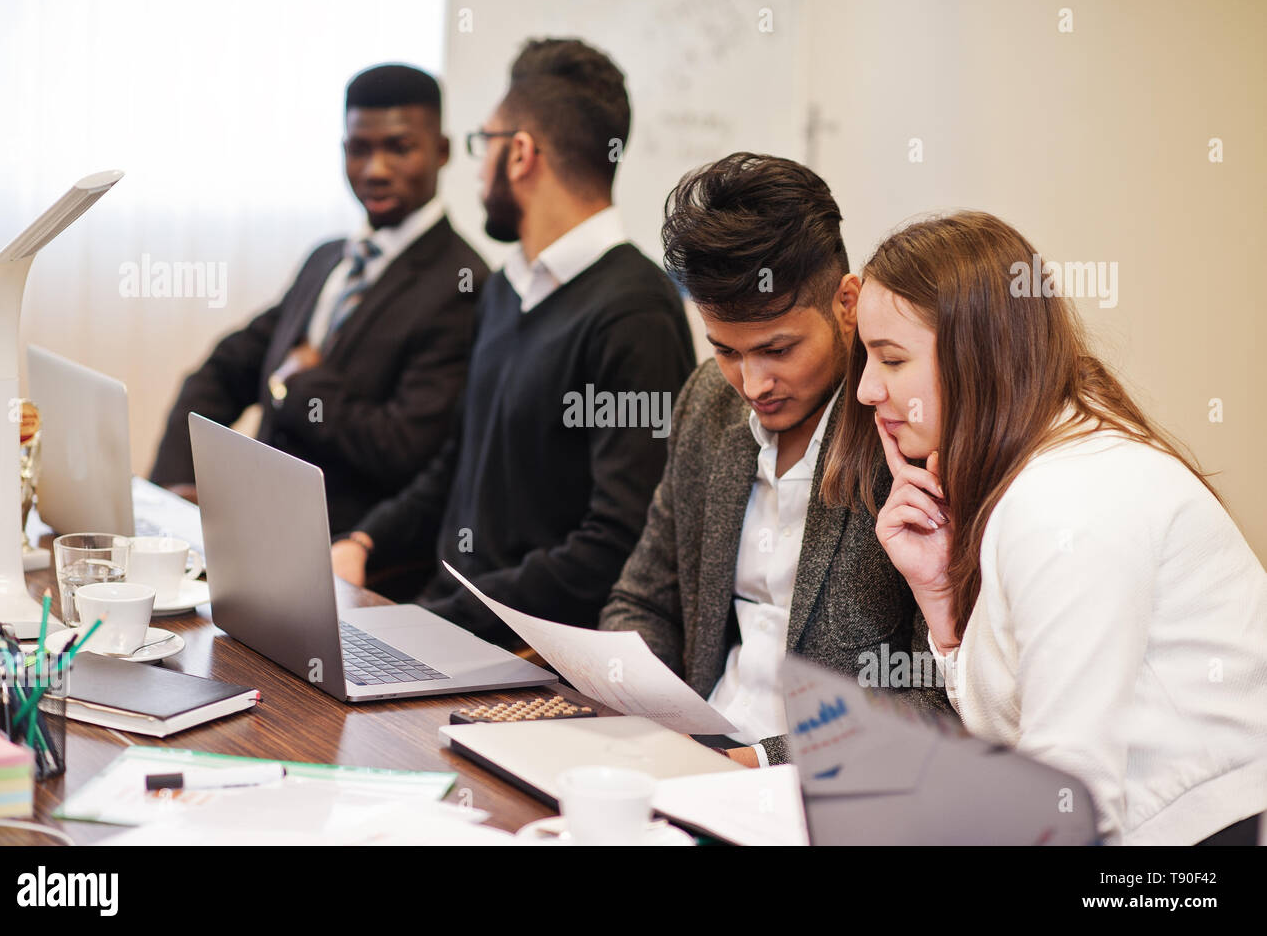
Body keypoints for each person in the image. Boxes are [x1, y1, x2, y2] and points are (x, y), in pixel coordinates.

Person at [824, 210, 1267, 845]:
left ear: (979, 358)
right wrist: (942, 604)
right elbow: (1012, 735)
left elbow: (1067, 799)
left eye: (891, 359)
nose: (865, 389)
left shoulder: (1067, 501)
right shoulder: (1043, 468)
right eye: (866, 356)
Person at [331, 38, 695, 646]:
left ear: (520, 154)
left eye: (484, 145)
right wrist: (366, 539)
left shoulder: (635, 312)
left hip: (535, 652)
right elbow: (457, 461)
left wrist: (439, 623)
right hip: (449, 625)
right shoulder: (505, 288)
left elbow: (617, 544)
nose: (477, 170)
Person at [598, 153, 951, 768]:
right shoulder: (708, 402)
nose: (752, 383)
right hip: (690, 755)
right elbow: (642, 601)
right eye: (727, 351)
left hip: (827, 792)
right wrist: (645, 707)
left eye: (778, 349)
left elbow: (937, 698)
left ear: (848, 303)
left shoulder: (905, 433)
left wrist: (762, 759)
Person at [151, 64, 488, 535]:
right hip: (251, 527)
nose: (376, 170)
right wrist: (170, 494)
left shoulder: (463, 282)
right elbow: (225, 371)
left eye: (400, 148)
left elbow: (405, 448)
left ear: (443, 151)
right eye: (359, 149)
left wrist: (299, 384)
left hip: (343, 550)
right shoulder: (327, 259)